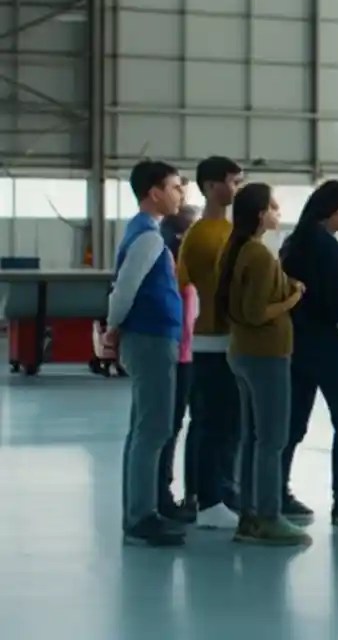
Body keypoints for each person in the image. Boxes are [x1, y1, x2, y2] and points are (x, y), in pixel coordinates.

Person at [216, 183, 311, 546]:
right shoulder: (258, 255)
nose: (278, 213)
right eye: (273, 207)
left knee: (253, 437)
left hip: (243, 352)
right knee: (272, 439)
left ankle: (250, 516)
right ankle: (269, 517)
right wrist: (293, 298)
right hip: (266, 355)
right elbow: (257, 312)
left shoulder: (239, 249)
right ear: (259, 214)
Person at [279, 180, 338, 526]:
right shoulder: (332, 249)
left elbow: (310, 293)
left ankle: (278, 493)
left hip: (297, 345)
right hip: (330, 349)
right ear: (332, 208)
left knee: (294, 423)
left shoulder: (294, 244)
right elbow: (334, 307)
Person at [106, 159, 186, 547]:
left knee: (144, 428)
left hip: (153, 337)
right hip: (151, 338)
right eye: (174, 187)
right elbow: (124, 288)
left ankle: (139, 512)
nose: (180, 194)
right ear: (154, 192)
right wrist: (112, 328)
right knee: (153, 428)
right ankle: (141, 517)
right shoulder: (149, 237)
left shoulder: (146, 232)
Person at [176, 155, 245, 530]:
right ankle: (206, 497)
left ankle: (222, 489)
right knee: (210, 422)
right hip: (209, 340)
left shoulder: (229, 232)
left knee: (225, 421)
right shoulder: (203, 234)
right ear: (210, 186)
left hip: (225, 339)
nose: (236, 188)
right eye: (232, 181)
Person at [157, 205, 199, 524]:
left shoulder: (187, 271)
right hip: (177, 356)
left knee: (181, 426)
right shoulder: (171, 269)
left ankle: (184, 492)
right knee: (168, 427)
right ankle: (161, 493)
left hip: (192, 355)